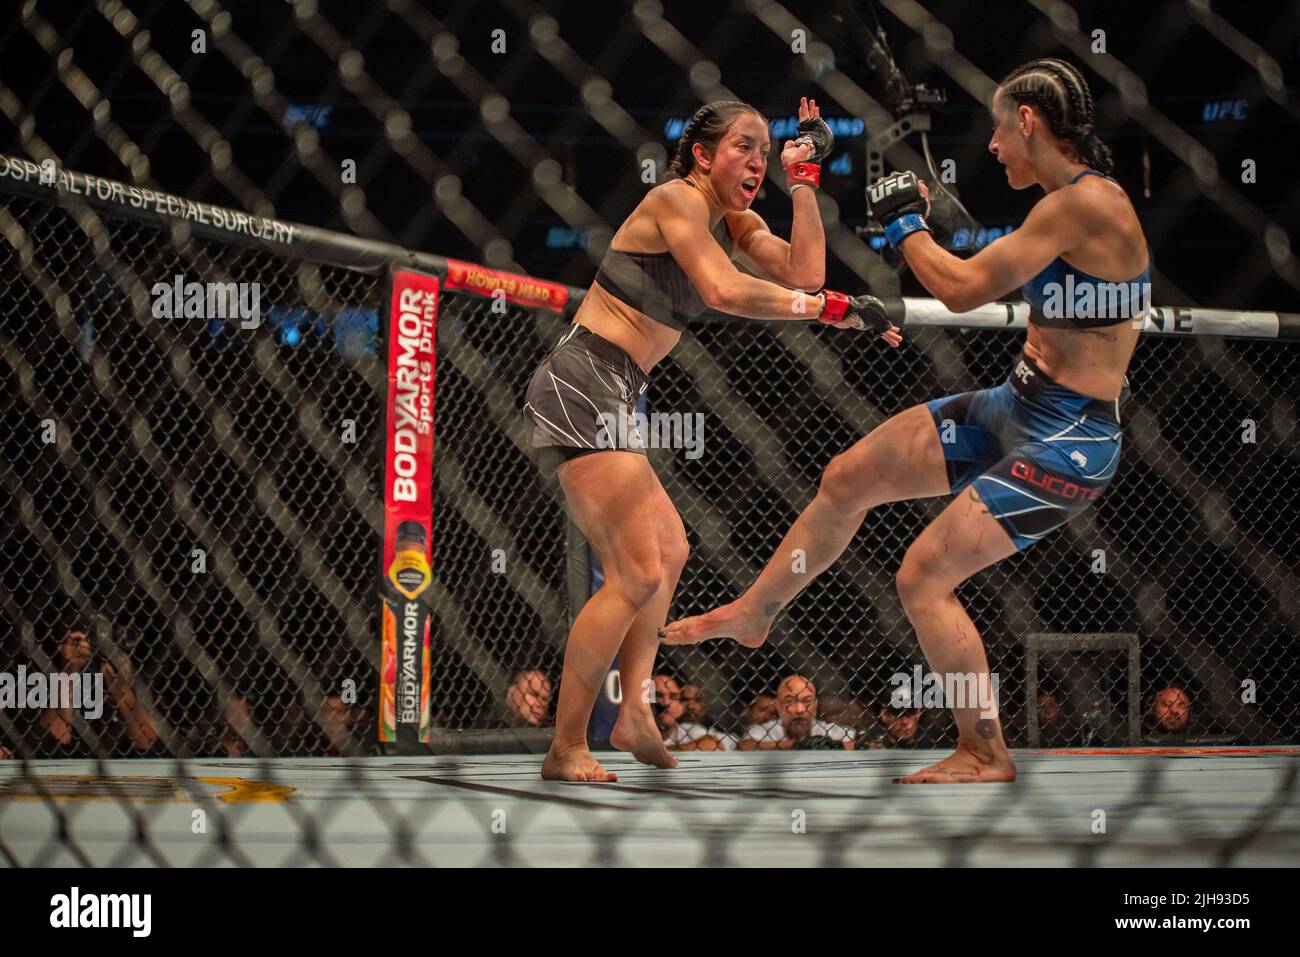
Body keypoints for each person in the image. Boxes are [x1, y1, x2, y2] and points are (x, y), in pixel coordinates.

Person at [665, 59, 1148, 785]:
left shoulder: (1086, 204)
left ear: (1027, 122)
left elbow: (957, 289)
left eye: (996, 128)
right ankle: (757, 612)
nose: (989, 146)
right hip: (1014, 403)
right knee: (848, 475)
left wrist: (904, 223)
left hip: (1070, 436)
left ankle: (983, 748)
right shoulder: (1064, 204)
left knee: (923, 574)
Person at [523, 98, 902, 781]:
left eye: (767, 150)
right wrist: (831, 310)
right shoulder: (675, 201)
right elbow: (726, 291)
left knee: (669, 550)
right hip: (583, 378)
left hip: (618, 388)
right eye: (744, 147)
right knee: (637, 567)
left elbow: (806, 273)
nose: (759, 160)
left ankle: (635, 708)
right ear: (703, 154)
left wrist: (807, 178)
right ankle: (567, 742)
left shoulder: (738, 221)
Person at [738, 675, 854, 750]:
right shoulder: (766, 730)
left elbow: (858, 743)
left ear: (815, 705)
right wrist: (799, 746)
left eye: (807, 701)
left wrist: (833, 746)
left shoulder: (828, 729)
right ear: (778, 705)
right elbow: (744, 746)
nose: (800, 710)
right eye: (790, 701)